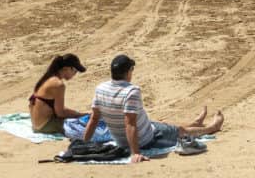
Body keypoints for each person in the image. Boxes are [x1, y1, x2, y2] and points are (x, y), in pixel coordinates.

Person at [83, 54, 223, 163]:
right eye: (132, 69)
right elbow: (130, 124)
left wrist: (84, 144)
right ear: (128, 72)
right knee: (181, 131)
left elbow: (94, 118)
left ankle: (195, 123)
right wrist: (135, 153)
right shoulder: (131, 91)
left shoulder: (100, 88)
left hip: (122, 139)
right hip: (146, 139)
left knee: (162, 123)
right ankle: (212, 127)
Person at [29, 53, 88, 135]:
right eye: (75, 71)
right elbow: (61, 113)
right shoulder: (58, 85)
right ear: (66, 68)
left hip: (36, 125)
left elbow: (56, 107)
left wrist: (79, 114)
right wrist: (81, 115)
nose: (75, 74)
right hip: (45, 127)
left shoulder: (47, 78)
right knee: (89, 125)